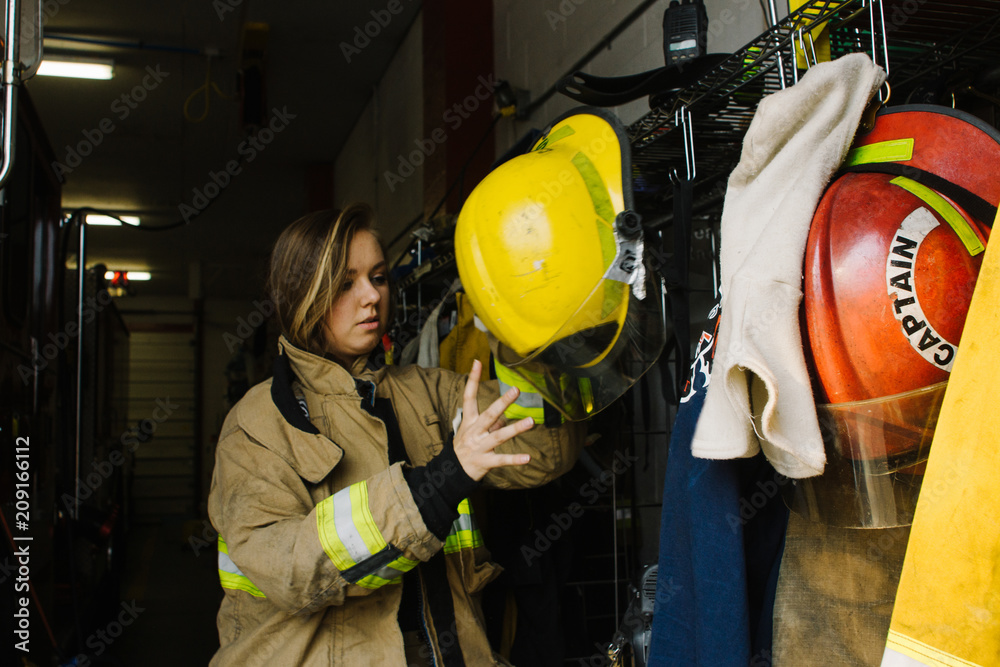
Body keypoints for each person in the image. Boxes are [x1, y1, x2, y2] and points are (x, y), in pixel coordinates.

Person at [208, 203, 583, 666]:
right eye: (346, 283)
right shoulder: (257, 424)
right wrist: (444, 479)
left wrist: (522, 335)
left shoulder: (431, 390)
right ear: (302, 294)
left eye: (379, 277)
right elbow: (292, 568)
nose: (371, 296)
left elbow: (549, 450)